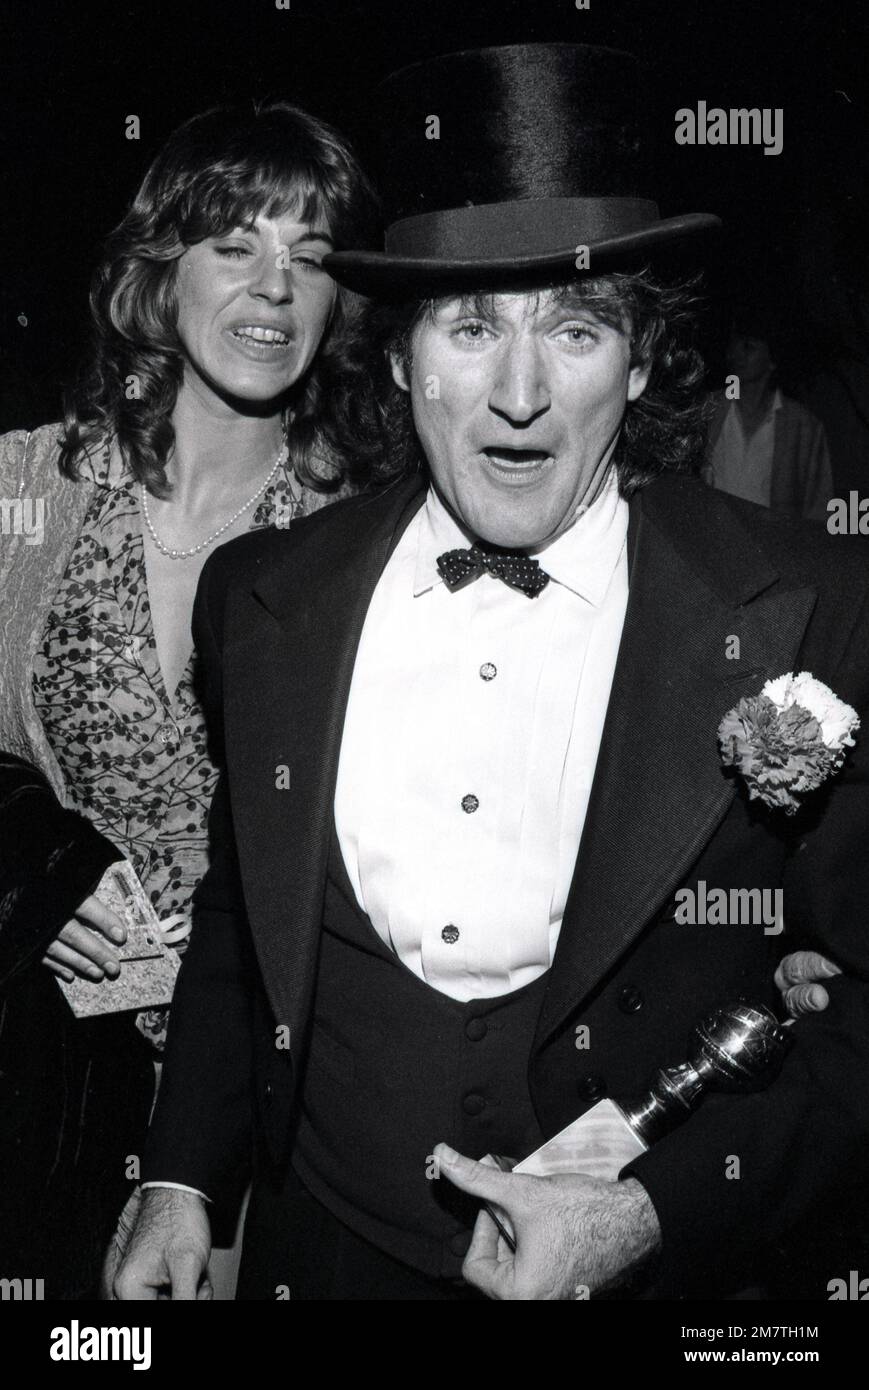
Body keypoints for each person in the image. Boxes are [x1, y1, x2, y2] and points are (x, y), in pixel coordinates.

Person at [115, 44, 869, 1302]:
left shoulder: (809, 605)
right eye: (471, 328)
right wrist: (181, 1176)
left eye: (571, 330)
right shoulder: (263, 596)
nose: (518, 394)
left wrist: (646, 1216)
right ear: (403, 358)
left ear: (636, 365)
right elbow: (242, 922)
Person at [0, 99, 379, 1298]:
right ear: (159, 271)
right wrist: (26, 868)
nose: (274, 288)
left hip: (275, 1097)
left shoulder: (368, 533)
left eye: (309, 258)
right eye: (234, 244)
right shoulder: (23, 488)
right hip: (46, 1074)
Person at [703, 307, 834, 521]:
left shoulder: (803, 427)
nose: (735, 353)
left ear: (773, 359)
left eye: (748, 347)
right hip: (712, 541)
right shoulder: (710, 410)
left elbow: (819, 508)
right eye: (734, 343)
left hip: (771, 548)